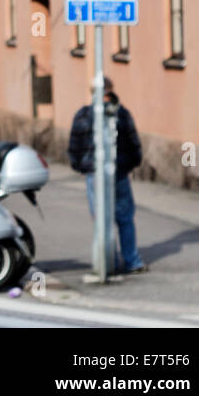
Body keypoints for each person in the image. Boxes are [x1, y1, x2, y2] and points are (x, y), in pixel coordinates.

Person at [67, 77, 148, 274]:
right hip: (118, 172)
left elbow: (74, 146)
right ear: (110, 91)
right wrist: (132, 162)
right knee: (125, 218)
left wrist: (81, 166)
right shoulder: (120, 113)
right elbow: (132, 141)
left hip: (95, 174)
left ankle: (107, 261)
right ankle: (131, 261)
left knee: (102, 219)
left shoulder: (83, 115)